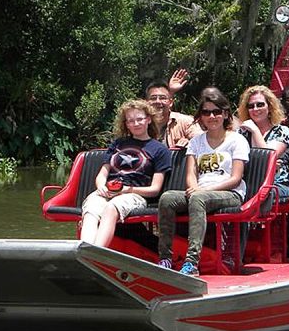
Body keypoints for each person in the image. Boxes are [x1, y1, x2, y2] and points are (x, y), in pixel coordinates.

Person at [156, 89, 249, 276]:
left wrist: (202, 190)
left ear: (224, 114)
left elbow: (235, 178)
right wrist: (194, 187)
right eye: (206, 112)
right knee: (167, 198)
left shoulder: (237, 140)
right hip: (200, 192)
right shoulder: (196, 142)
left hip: (230, 193)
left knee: (198, 198)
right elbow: (191, 173)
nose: (211, 116)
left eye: (216, 112)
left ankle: (191, 263)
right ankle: (165, 257)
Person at [79, 100, 172, 247]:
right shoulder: (117, 144)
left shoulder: (160, 150)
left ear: (148, 119)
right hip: (108, 191)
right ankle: (84, 251)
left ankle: (96, 253)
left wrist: (125, 190)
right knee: (91, 209)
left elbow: (154, 189)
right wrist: (101, 186)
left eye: (139, 119)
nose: (136, 124)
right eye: (131, 121)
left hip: (134, 194)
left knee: (111, 208)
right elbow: (103, 173)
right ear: (126, 124)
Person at [237, 85, 289, 199]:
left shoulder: (282, 131)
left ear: (270, 107)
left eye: (260, 104)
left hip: (276, 185)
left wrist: (255, 130)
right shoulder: (242, 133)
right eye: (251, 106)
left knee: (255, 192)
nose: (255, 109)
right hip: (247, 182)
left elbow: (268, 156)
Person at [145, 69, 202, 147]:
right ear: (146, 102)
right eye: (153, 98)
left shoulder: (185, 122)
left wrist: (190, 142)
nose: (158, 101)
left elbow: (203, 141)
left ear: (171, 102)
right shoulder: (138, 123)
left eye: (162, 98)